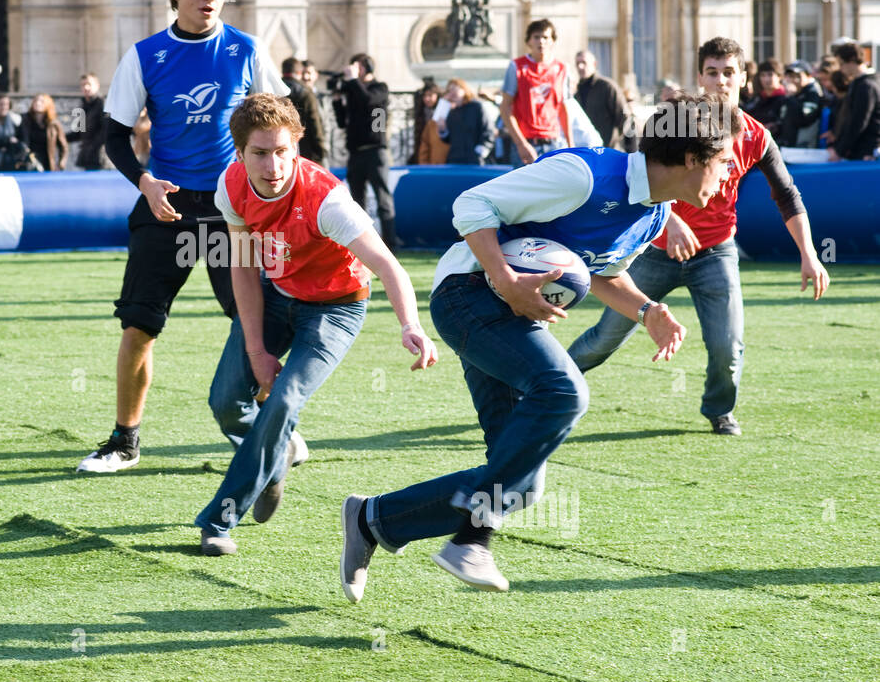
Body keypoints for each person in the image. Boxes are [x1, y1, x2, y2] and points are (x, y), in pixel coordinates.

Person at [339, 92, 738, 603]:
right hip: (467, 294)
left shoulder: (655, 217)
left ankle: (373, 519)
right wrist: (504, 279)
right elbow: (471, 205)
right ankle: (474, 538)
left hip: (509, 314)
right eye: (724, 161)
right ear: (691, 158)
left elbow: (597, 273)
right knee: (565, 392)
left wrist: (645, 310)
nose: (729, 174)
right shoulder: (584, 174)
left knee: (522, 484)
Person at [76, 0, 287, 474]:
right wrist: (144, 182)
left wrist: (278, 188)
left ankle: (275, 431)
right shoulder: (145, 55)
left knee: (252, 326)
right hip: (165, 206)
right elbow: (116, 137)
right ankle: (125, 441)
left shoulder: (246, 49)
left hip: (230, 210)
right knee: (139, 326)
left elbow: (282, 123)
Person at [195, 94, 437, 555]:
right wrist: (256, 353)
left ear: (297, 147)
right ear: (239, 153)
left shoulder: (326, 200)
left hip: (336, 307)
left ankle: (221, 518)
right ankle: (276, 455)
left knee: (283, 401)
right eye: (260, 153)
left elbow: (389, 267)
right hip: (276, 294)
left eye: (282, 151)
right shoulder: (229, 187)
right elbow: (244, 268)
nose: (273, 164)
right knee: (226, 401)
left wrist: (412, 325)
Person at [568, 37, 830, 437]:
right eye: (712, 72)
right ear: (700, 76)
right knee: (606, 337)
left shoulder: (757, 135)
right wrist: (669, 218)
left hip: (716, 253)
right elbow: (637, 176)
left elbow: (787, 195)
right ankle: (548, 385)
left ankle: (719, 410)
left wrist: (809, 253)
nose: (721, 81)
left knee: (728, 346)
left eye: (729, 72)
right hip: (656, 249)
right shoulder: (675, 122)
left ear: (744, 78)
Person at [333, 53, 396, 249]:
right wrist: (337, 101)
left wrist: (351, 81)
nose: (354, 70)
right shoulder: (353, 90)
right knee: (356, 203)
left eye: (358, 66)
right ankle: (363, 246)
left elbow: (368, 100)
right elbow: (343, 122)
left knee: (383, 200)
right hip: (356, 153)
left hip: (376, 151)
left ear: (367, 67)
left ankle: (391, 244)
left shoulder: (380, 88)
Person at [499, 19, 573, 165]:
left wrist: (571, 145)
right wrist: (520, 144)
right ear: (529, 41)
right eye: (536, 37)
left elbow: (563, 109)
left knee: (554, 188)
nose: (541, 42)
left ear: (552, 41)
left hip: (554, 142)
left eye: (546, 37)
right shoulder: (517, 67)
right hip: (526, 142)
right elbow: (505, 107)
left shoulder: (561, 69)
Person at [828, 41, 880, 161]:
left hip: (866, 150)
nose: (840, 69)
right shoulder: (859, 83)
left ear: (852, 60)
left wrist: (839, 151)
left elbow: (858, 122)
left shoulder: (867, 85)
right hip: (859, 148)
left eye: (841, 64)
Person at [574, 50, 631, 150]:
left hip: (607, 150)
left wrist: (630, 151)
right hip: (585, 153)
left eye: (584, 63)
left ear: (594, 64)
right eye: (578, 63)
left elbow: (625, 119)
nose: (580, 67)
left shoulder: (607, 87)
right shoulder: (575, 92)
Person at [434, 79, 495, 166]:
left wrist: (480, 152)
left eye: (455, 89)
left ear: (464, 89)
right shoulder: (451, 111)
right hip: (455, 160)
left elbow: (488, 130)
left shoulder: (476, 107)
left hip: (474, 161)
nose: (452, 93)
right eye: (449, 90)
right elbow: (449, 139)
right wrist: (442, 129)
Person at [281, 56, 327, 164]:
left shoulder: (273, 89)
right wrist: (320, 150)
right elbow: (314, 122)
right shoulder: (305, 92)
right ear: (299, 73)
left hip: (280, 147)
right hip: (305, 150)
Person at [743, 58, 789, 142]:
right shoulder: (757, 99)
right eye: (763, 75)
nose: (766, 79)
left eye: (770, 75)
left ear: (779, 76)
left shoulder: (786, 99)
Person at [19, 93, 68, 171]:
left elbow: (63, 146)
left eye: (42, 101)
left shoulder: (54, 124)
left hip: (48, 163)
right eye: (36, 101)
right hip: (29, 162)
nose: (38, 103)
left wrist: (60, 164)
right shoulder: (25, 120)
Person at [781, 60, 824, 149]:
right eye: (791, 76)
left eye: (798, 76)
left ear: (809, 76)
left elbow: (805, 119)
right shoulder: (797, 92)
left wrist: (791, 97)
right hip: (791, 144)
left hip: (804, 146)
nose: (794, 80)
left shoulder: (812, 93)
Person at [69, 73, 107, 170]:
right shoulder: (83, 106)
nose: (86, 87)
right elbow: (79, 132)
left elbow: (106, 131)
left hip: (101, 158)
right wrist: (59, 138)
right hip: (88, 157)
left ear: (97, 86)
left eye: (89, 84)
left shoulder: (103, 104)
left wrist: (93, 146)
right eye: (83, 85)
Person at [0, 92, 25, 172]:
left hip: (14, 161)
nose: (3, 107)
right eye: (1, 104)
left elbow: (22, 141)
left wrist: (1, 142)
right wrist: (9, 140)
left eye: (6, 104)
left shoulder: (16, 120)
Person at [415, 84, 446, 164]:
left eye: (430, 95)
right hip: (426, 153)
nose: (427, 99)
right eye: (425, 96)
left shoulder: (443, 112)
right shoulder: (423, 111)